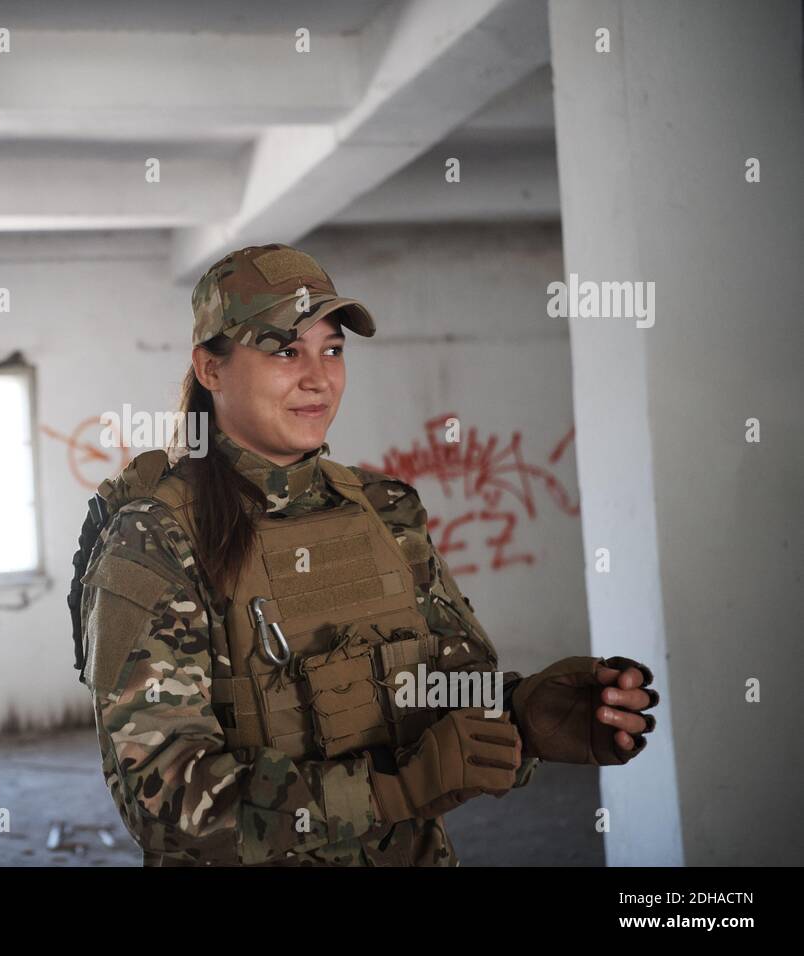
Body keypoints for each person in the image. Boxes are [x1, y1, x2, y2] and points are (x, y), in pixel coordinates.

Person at [76, 243, 659, 867]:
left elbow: (435, 689)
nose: (318, 377)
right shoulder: (157, 536)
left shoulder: (385, 508)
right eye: (283, 349)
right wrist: (392, 789)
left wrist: (523, 716)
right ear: (211, 368)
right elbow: (164, 802)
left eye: (332, 350)